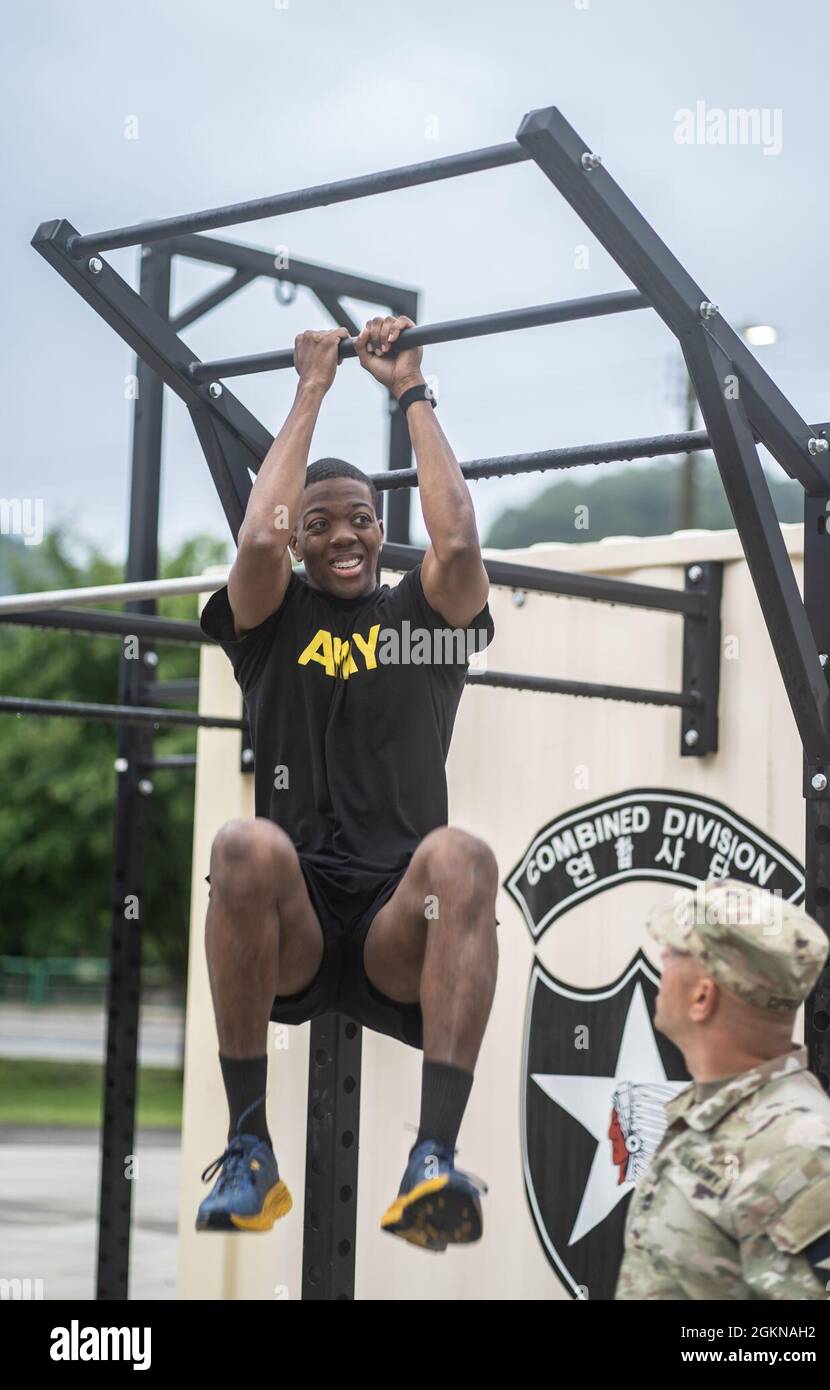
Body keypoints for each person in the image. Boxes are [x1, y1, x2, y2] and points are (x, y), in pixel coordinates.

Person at [194, 315, 499, 1252]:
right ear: (300, 541)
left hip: (395, 930)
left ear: (380, 532)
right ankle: (250, 1147)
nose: (341, 537)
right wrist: (314, 386)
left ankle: (434, 1159)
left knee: (463, 855)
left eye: (360, 521)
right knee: (243, 843)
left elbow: (456, 542)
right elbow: (255, 541)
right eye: (318, 524)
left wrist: (408, 388)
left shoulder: (424, 616)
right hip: (298, 924)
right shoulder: (268, 616)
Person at [615, 878, 830, 1300]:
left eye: (676, 952)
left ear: (702, 997)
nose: (661, 958)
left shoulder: (801, 1154)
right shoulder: (714, 1115)